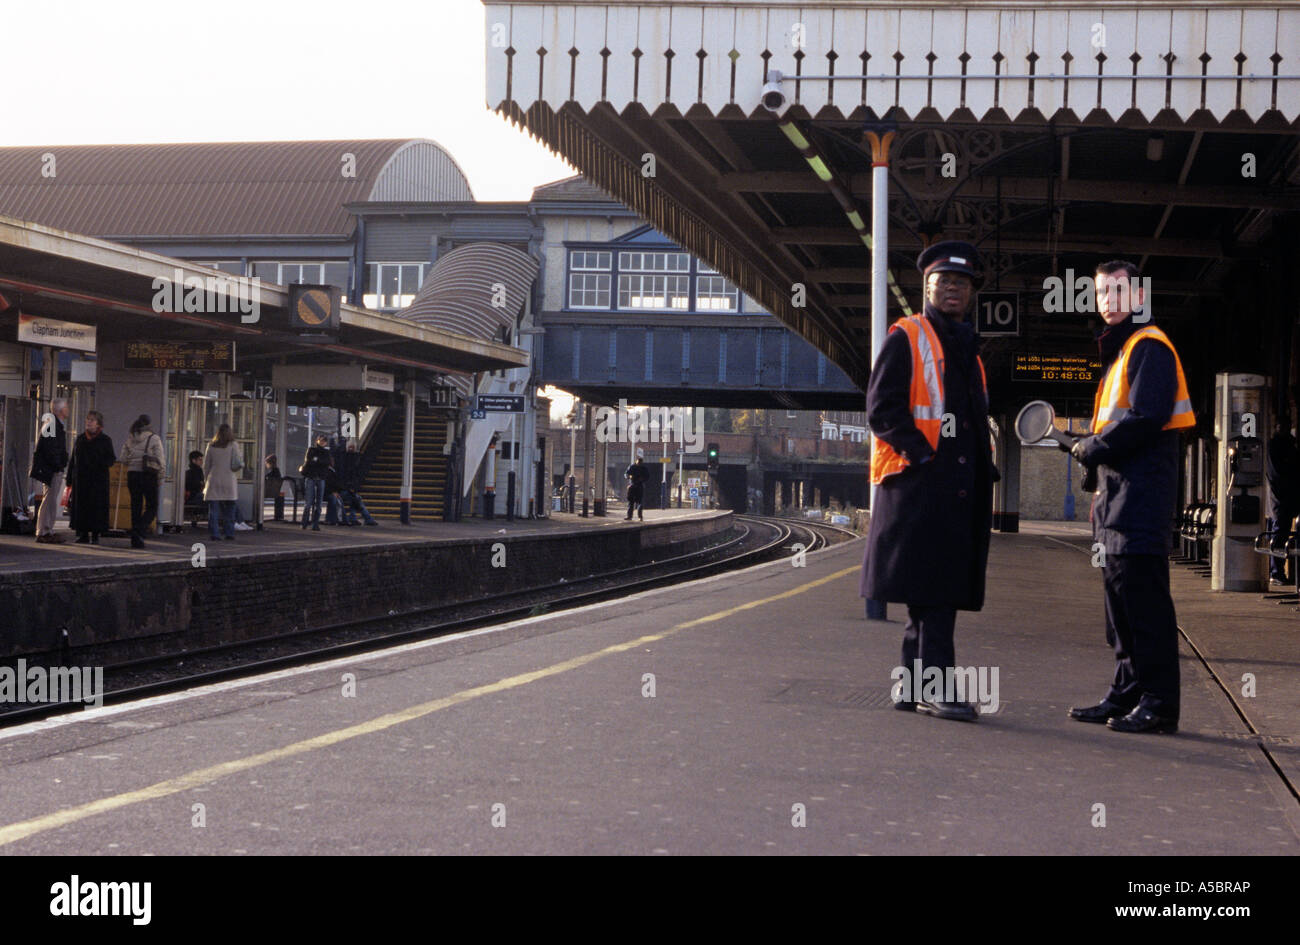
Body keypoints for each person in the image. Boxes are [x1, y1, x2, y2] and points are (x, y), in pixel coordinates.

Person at [860, 240, 995, 723]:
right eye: (944, 282)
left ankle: (910, 687)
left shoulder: (967, 349)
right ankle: (937, 690)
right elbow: (881, 409)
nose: (953, 289)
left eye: (962, 282)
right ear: (927, 288)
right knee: (935, 595)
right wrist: (923, 456)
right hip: (920, 488)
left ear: (972, 291)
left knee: (931, 595)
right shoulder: (907, 336)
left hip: (954, 492)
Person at [1067, 260, 1196, 735]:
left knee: (1145, 605)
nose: (1107, 301)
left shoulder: (1150, 347)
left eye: (1118, 292)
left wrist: (1094, 446)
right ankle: (1127, 692)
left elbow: (1145, 417)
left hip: (1141, 501)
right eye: (1101, 293)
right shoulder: (1123, 354)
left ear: (1139, 297)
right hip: (1118, 501)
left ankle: (1160, 703)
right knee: (1120, 606)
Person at [66, 409, 115, 545]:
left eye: (92, 420)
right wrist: (70, 477)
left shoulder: (105, 440)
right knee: (81, 507)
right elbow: (73, 459)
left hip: (97, 481)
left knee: (96, 508)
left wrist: (100, 464)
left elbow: (111, 458)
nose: (88, 422)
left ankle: (95, 534)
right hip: (81, 479)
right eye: (88, 419)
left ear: (98, 424)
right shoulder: (81, 439)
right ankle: (82, 533)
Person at [119, 414, 165, 548]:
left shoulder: (131, 437)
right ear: (149, 425)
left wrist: (133, 461)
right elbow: (160, 459)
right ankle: (140, 529)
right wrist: (161, 476)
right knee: (152, 505)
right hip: (148, 475)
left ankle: (135, 538)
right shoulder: (154, 438)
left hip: (132, 474)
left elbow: (123, 458)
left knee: (136, 506)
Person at [30, 398, 70, 544]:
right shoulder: (52, 425)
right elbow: (50, 449)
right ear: (60, 410)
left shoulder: (54, 425)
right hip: (51, 469)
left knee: (51, 500)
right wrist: (58, 464)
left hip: (51, 468)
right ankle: (44, 531)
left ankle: (47, 529)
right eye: (66, 407)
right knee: (49, 500)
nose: (68, 409)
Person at [1265, 419, 1299, 586]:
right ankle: (1276, 571)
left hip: (1282, 497)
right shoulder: (1278, 447)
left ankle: (1277, 571)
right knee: (1279, 534)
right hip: (1281, 498)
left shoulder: (1286, 446)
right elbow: (1278, 474)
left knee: (1279, 533)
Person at [203, 423, 241, 541]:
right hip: (229, 480)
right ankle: (229, 533)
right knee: (230, 509)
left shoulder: (211, 445)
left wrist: (205, 480)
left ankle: (215, 533)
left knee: (213, 510)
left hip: (214, 479)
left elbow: (206, 465)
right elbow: (238, 461)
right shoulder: (233, 445)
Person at [299, 433, 331, 531]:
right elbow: (309, 461)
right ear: (317, 441)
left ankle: (315, 524)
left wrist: (316, 460)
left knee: (319, 503)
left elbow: (325, 463)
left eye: (324, 441)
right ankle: (304, 523)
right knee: (308, 502)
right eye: (321, 440)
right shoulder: (311, 450)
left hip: (320, 478)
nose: (322, 442)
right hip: (312, 477)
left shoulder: (326, 453)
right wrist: (319, 461)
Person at [184, 451, 205, 529]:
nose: (202, 462)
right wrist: (200, 484)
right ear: (193, 460)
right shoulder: (191, 473)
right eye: (200, 460)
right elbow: (192, 486)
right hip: (192, 496)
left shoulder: (199, 471)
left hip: (195, 495)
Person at [625, 455, 649, 520]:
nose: (639, 464)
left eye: (640, 463)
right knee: (631, 502)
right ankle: (630, 516)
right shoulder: (632, 467)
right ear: (636, 461)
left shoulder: (643, 468)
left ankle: (639, 516)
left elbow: (647, 477)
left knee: (639, 502)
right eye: (638, 462)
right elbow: (626, 474)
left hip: (639, 486)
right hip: (632, 486)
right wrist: (629, 476)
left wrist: (642, 479)